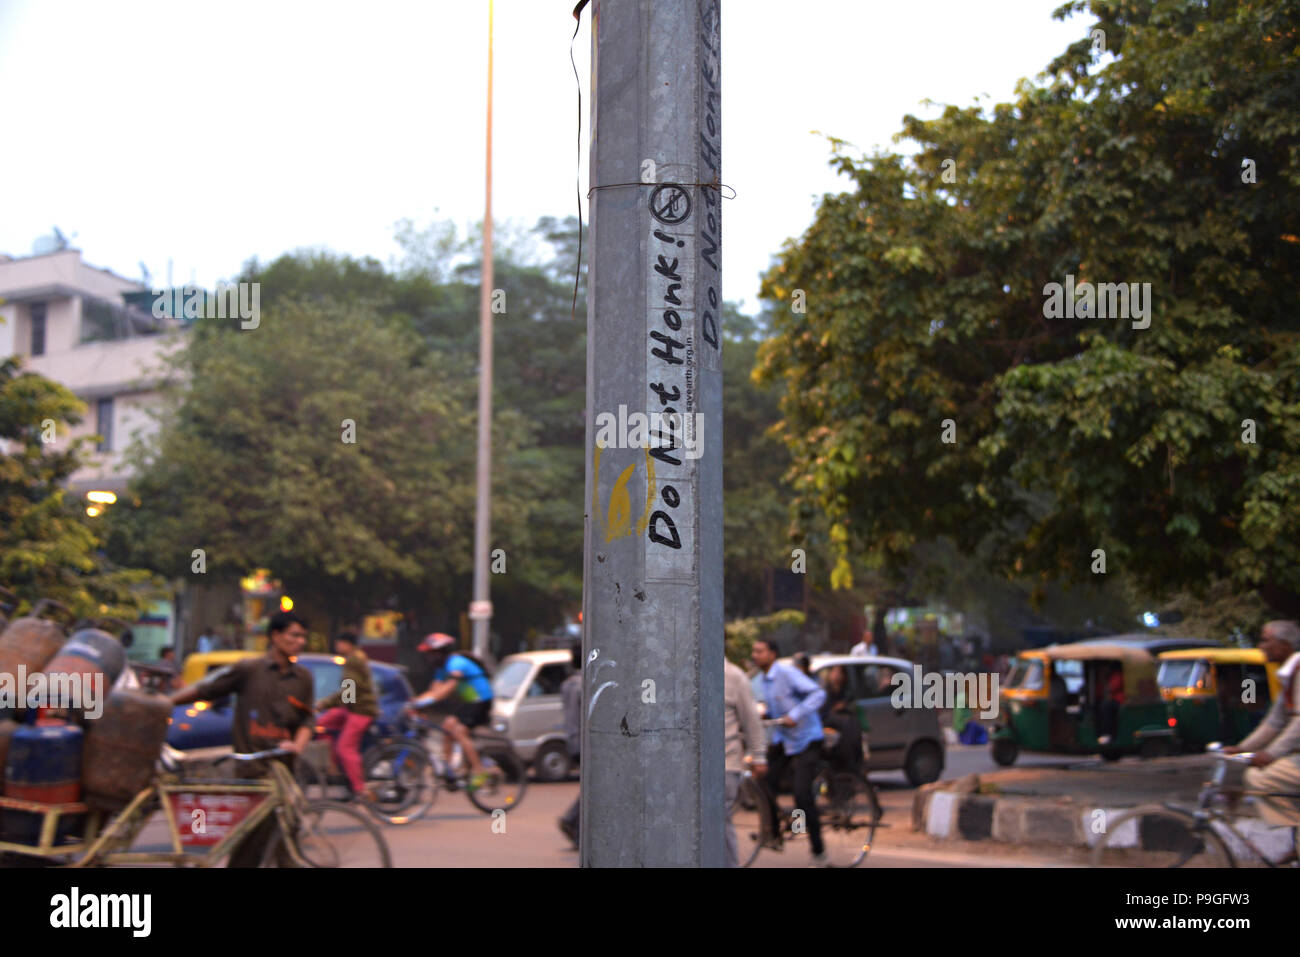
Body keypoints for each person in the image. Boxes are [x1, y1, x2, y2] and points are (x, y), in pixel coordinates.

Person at [170, 611, 314, 867]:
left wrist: (298, 745)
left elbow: (307, 720)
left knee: (286, 838)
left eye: (304, 636)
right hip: (252, 772)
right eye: (294, 635)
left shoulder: (303, 678)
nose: (300, 641)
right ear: (276, 636)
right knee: (251, 844)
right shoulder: (250, 669)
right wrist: (166, 702)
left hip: (284, 773)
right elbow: (207, 690)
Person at [750, 637, 828, 865]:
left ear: (772, 654)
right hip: (784, 739)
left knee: (801, 794)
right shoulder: (762, 680)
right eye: (754, 651)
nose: (755, 655)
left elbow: (818, 694)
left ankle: (819, 851)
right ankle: (773, 833)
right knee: (762, 780)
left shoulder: (786, 673)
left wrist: (796, 715)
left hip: (808, 739)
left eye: (760, 651)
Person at [1225, 620, 1300, 826]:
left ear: (1285, 644)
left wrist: (1271, 753)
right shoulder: (1284, 675)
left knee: (1264, 778)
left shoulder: (1249, 678)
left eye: (1266, 641)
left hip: (1255, 711)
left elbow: (1293, 721)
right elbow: (1274, 721)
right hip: (1256, 712)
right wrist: (1242, 748)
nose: (1261, 646)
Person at [410, 633, 494, 789]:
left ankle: (479, 771)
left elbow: (448, 688)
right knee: (447, 727)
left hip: (481, 700)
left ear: (440, 652)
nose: (428, 658)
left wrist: (426, 702)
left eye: (430, 654)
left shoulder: (456, 663)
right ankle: (448, 770)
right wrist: (414, 702)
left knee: (459, 732)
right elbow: (434, 690)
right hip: (469, 702)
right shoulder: (441, 669)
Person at [314, 631, 379, 802]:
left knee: (345, 747)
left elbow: (348, 693)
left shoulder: (354, 660)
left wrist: (323, 704)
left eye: (339, 643)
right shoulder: (353, 658)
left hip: (361, 711)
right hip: (351, 708)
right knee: (321, 724)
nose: (337, 647)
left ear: (347, 644)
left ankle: (359, 789)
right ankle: (334, 767)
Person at [724, 655, 767, 867]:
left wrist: (759, 756)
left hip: (726, 765)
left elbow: (752, 720)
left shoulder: (734, 676)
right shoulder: (686, 672)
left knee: (718, 822)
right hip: (691, 768)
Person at [558, 645, 583, 847]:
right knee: (594, 786)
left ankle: (574, 825)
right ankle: (571, 821)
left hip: (571, 740)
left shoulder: (567, 684)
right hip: (584, 744)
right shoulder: (585, 684)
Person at [819, 664, 863, 773]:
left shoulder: (846, 691)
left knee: (852, 724)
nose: (836, 676)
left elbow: (852, 706)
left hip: (844, 725)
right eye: (834, 672)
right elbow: (823, 711)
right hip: (828, 723)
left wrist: (844, 706)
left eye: (839, 673)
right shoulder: (824, 691)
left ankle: (854, 760)